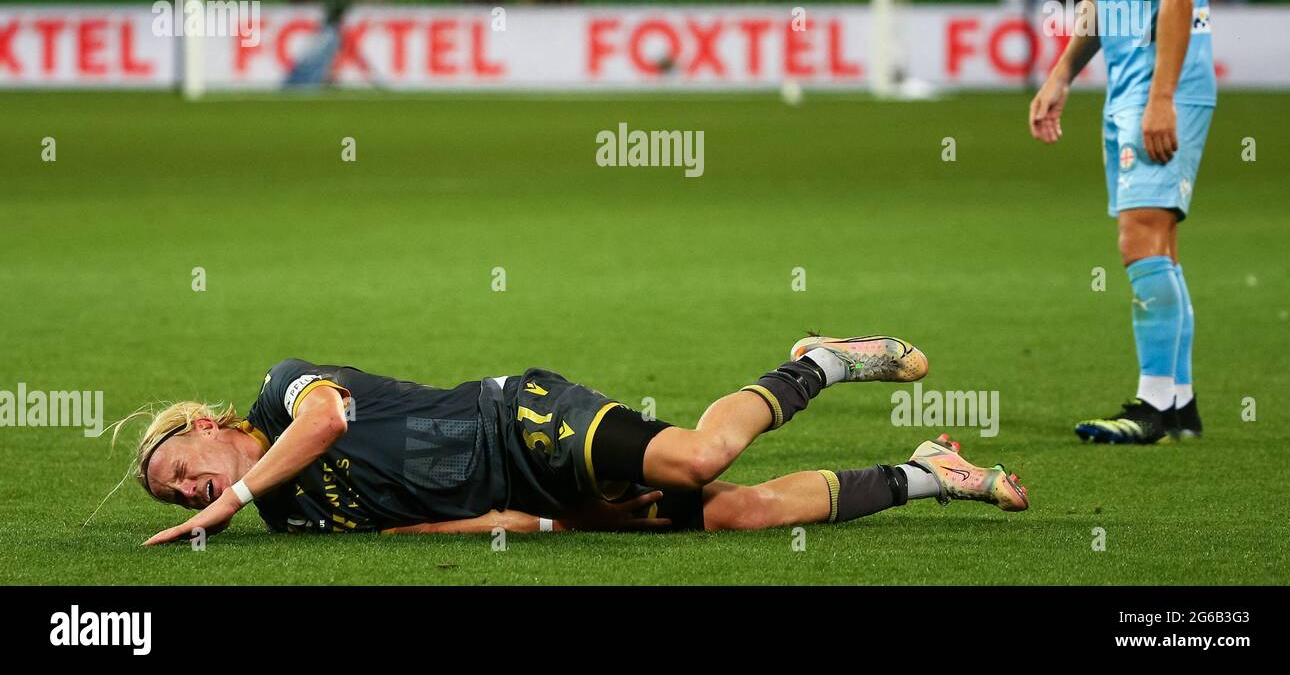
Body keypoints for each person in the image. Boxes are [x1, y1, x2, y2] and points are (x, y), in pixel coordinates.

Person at [131, 334, 1027, 544]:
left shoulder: (283, 393)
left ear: (207, 426)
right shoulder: (289, 523)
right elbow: (405, 531)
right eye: (176, 497)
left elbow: (330, 422)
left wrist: (233, 501)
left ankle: (826, 362)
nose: (186, 491)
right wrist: (523, 524)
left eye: (180, 470)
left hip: (520, 418)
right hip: (526, 494)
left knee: (703, 457)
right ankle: (930, 474)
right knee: (736, 514)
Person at [1029, 0, 1215, 444]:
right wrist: (1061, 74)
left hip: (1163, 83)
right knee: (1155, 239)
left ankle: (1153, 408)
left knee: (1140, 237)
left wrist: (1162, 96)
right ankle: (1180, 404)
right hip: (1132, 83)